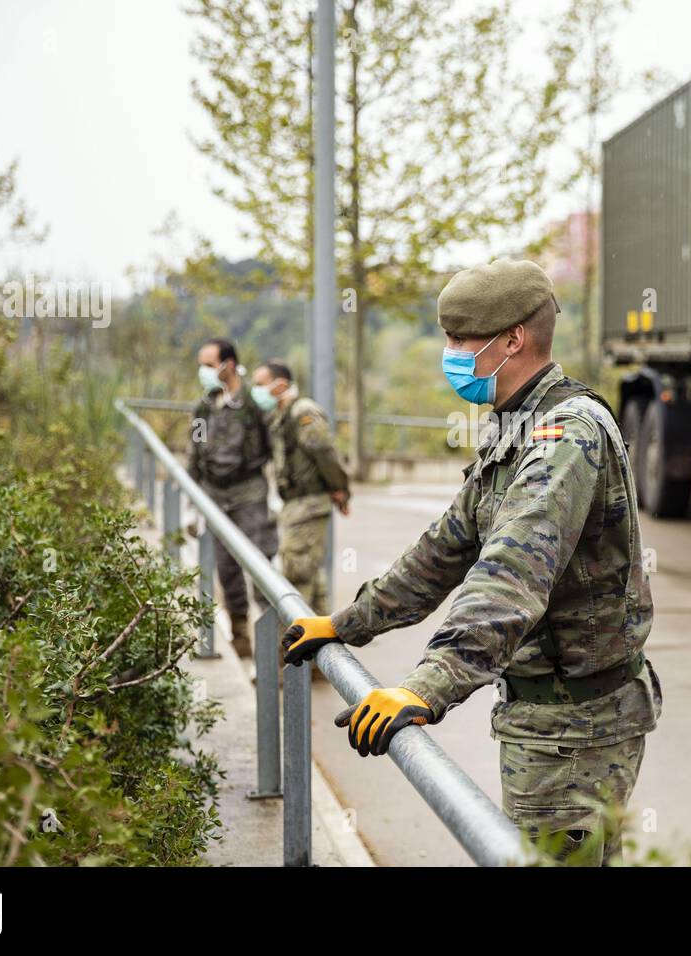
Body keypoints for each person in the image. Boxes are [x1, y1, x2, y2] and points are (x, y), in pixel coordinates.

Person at [282, 259, 662, 865]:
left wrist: (425, 687)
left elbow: (511, 576)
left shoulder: (566, 435)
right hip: (543, 713)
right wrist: (349, 623)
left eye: (460, 338)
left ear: (512, 339)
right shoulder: (516, 424)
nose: (450, 352)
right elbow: (448, 546)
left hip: (576, 728)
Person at [188, 338, 278, 659]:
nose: (204, 371)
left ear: (228, 365)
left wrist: (279, 490)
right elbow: (194, 455)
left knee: (260, 563)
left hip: (248, 493)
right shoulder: (203, 407)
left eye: (210, 365)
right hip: (215, 495)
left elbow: (273, 445)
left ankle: (272, 649)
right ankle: (242, 639)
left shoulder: (253, 405)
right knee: (226, 569)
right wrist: (192, 503)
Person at [250, 359, 350, 618]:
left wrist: (340, 489)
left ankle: (289, 655)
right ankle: (321, 652)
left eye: (260, 384)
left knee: (296, 577)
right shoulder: (281, 416)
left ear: (280, 384)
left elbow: (324, 451)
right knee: (312, 580)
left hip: (308, 503)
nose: (256, 390)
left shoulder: (302, 412)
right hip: (296, 504)